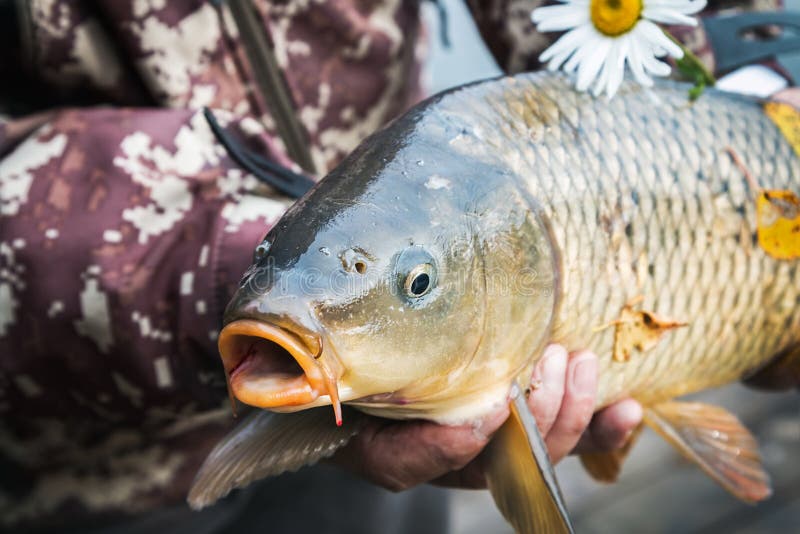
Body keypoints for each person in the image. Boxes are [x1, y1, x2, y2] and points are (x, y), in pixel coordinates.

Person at [0, 0, 781, 532]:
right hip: (90, 460)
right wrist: (243, 272)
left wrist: (731, 46)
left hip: (398, 328)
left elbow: (624, 20)